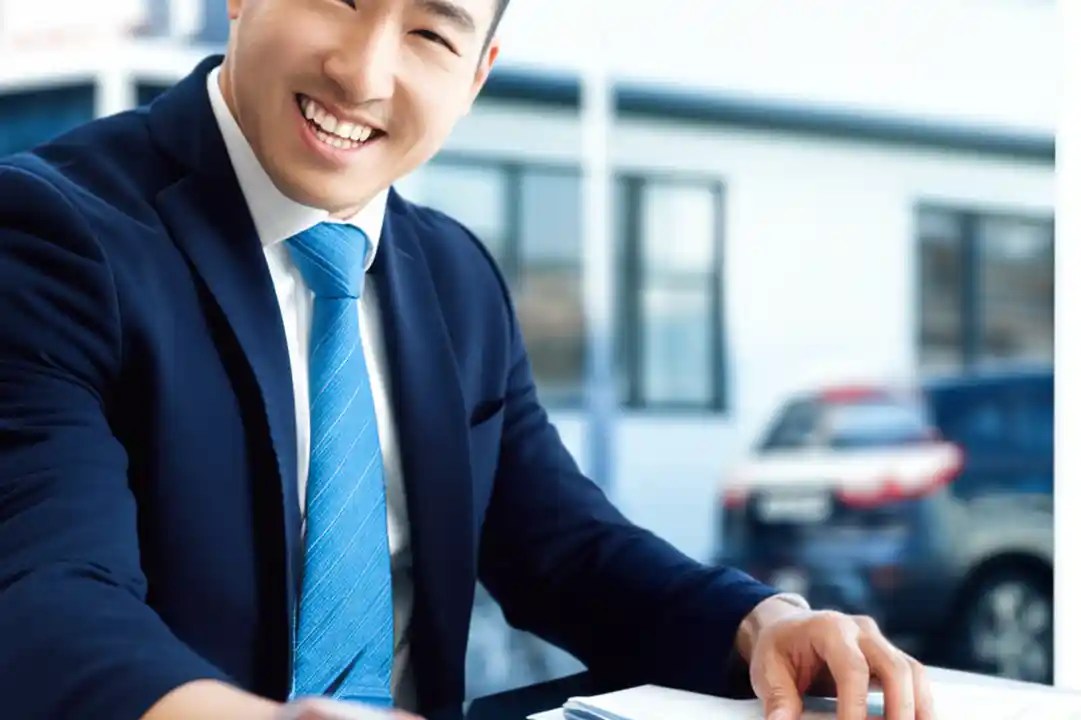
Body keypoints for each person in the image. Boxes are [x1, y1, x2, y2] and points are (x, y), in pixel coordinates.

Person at [0, 1, 936, 719]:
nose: (363, 73)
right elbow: (45, 593)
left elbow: (566, 549)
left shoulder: (454, 277)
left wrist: (764, 622)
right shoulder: (50, 233)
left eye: (431, 35)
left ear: (478, 73)